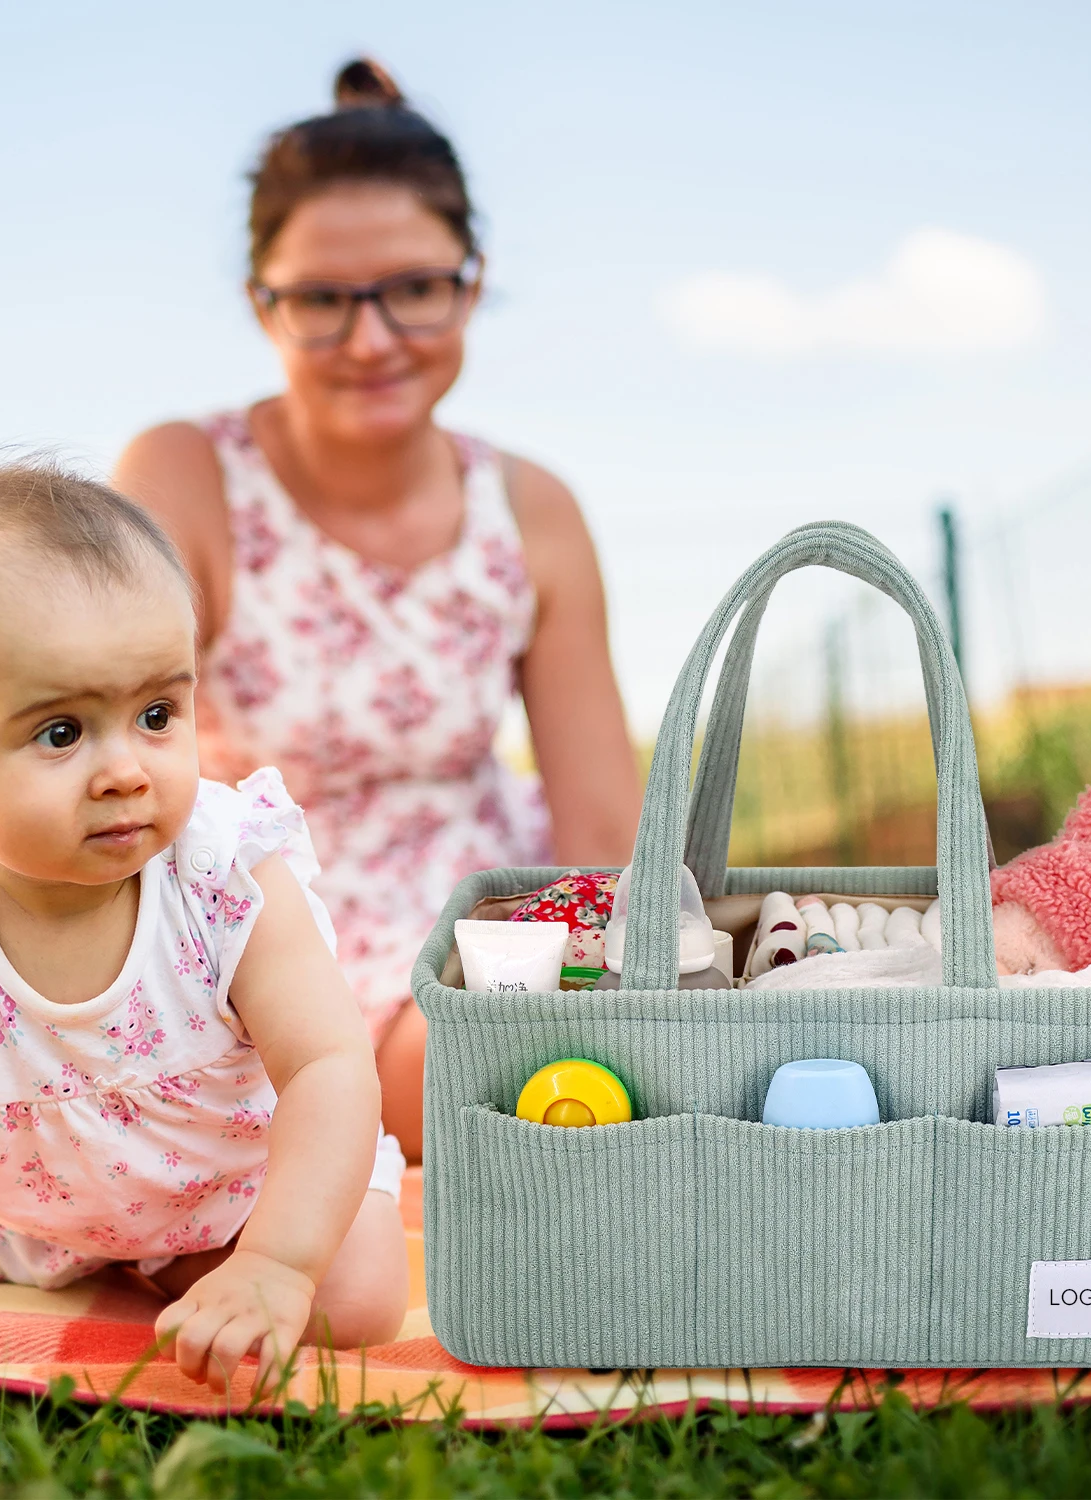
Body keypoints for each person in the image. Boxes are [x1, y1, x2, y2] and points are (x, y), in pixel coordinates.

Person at [113, 59, 643, 1161]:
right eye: (320, 300)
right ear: (263, 300)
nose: (370, 340)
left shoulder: (530, 508)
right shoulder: (186, 476)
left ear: (470, 279)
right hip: (249, 931)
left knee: (555, 1067)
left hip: (474, 941)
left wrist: (610, 987)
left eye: (413, 287)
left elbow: (602, 833)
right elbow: (109, 743)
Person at [0, 462, 407, 1397]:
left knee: (362, 1297)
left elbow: (329, 1064)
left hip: (236, 1180)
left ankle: (193, 1265)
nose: (127, 770)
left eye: (156, 714)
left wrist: (278, 1262)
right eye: (61, 733)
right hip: (21, 1196)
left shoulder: (224, 871)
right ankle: (104, 1258)